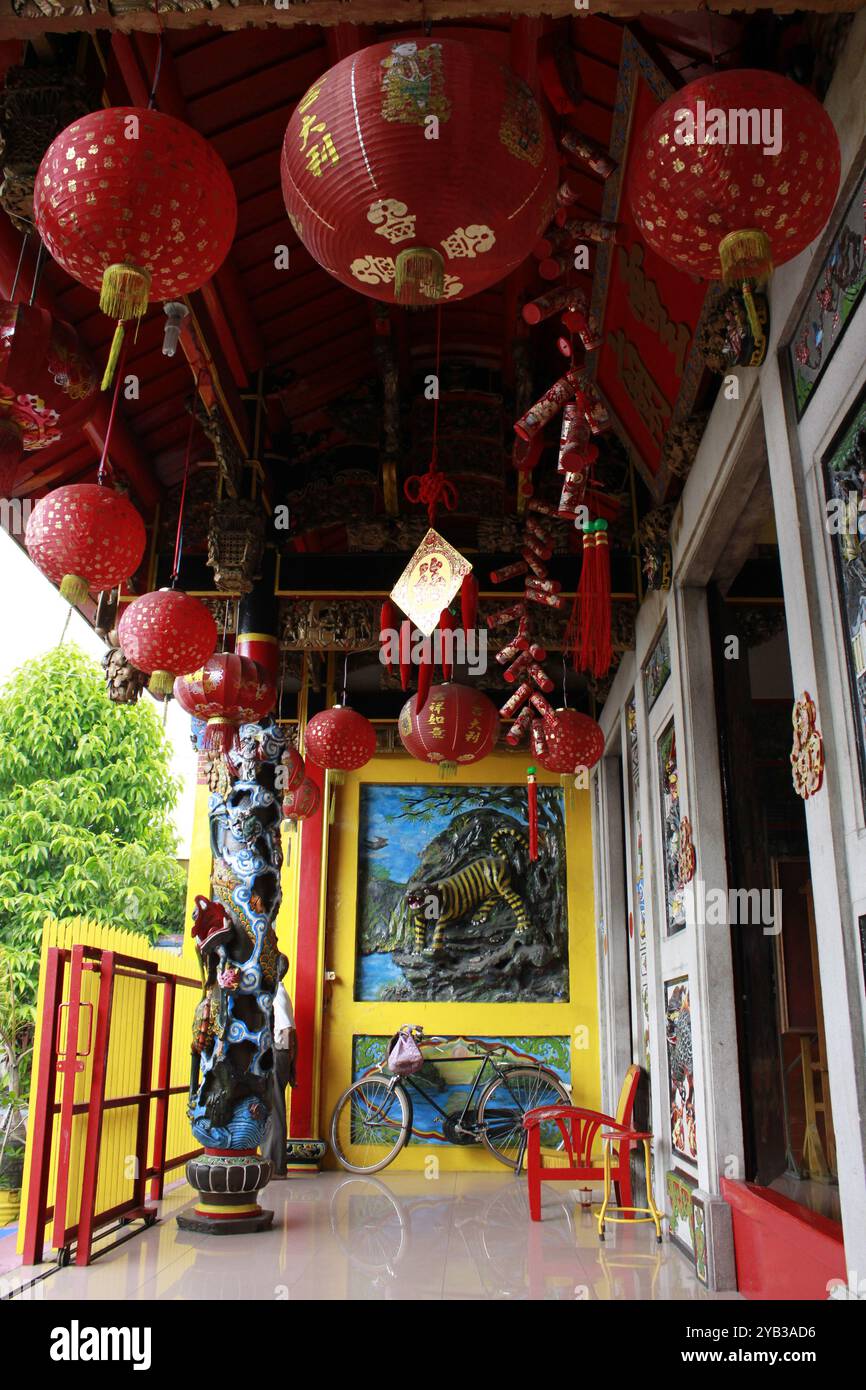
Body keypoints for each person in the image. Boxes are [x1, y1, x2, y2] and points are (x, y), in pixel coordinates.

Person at [263, 979, 296, 1178]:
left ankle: (275, 1167)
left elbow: (287, 1030)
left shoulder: (276, 992)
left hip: (275, 1052)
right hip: (278, 1053)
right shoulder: (278, 991)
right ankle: (273, 1163)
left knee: (273, 1109)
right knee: (272, 1108)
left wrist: (282, 1055)